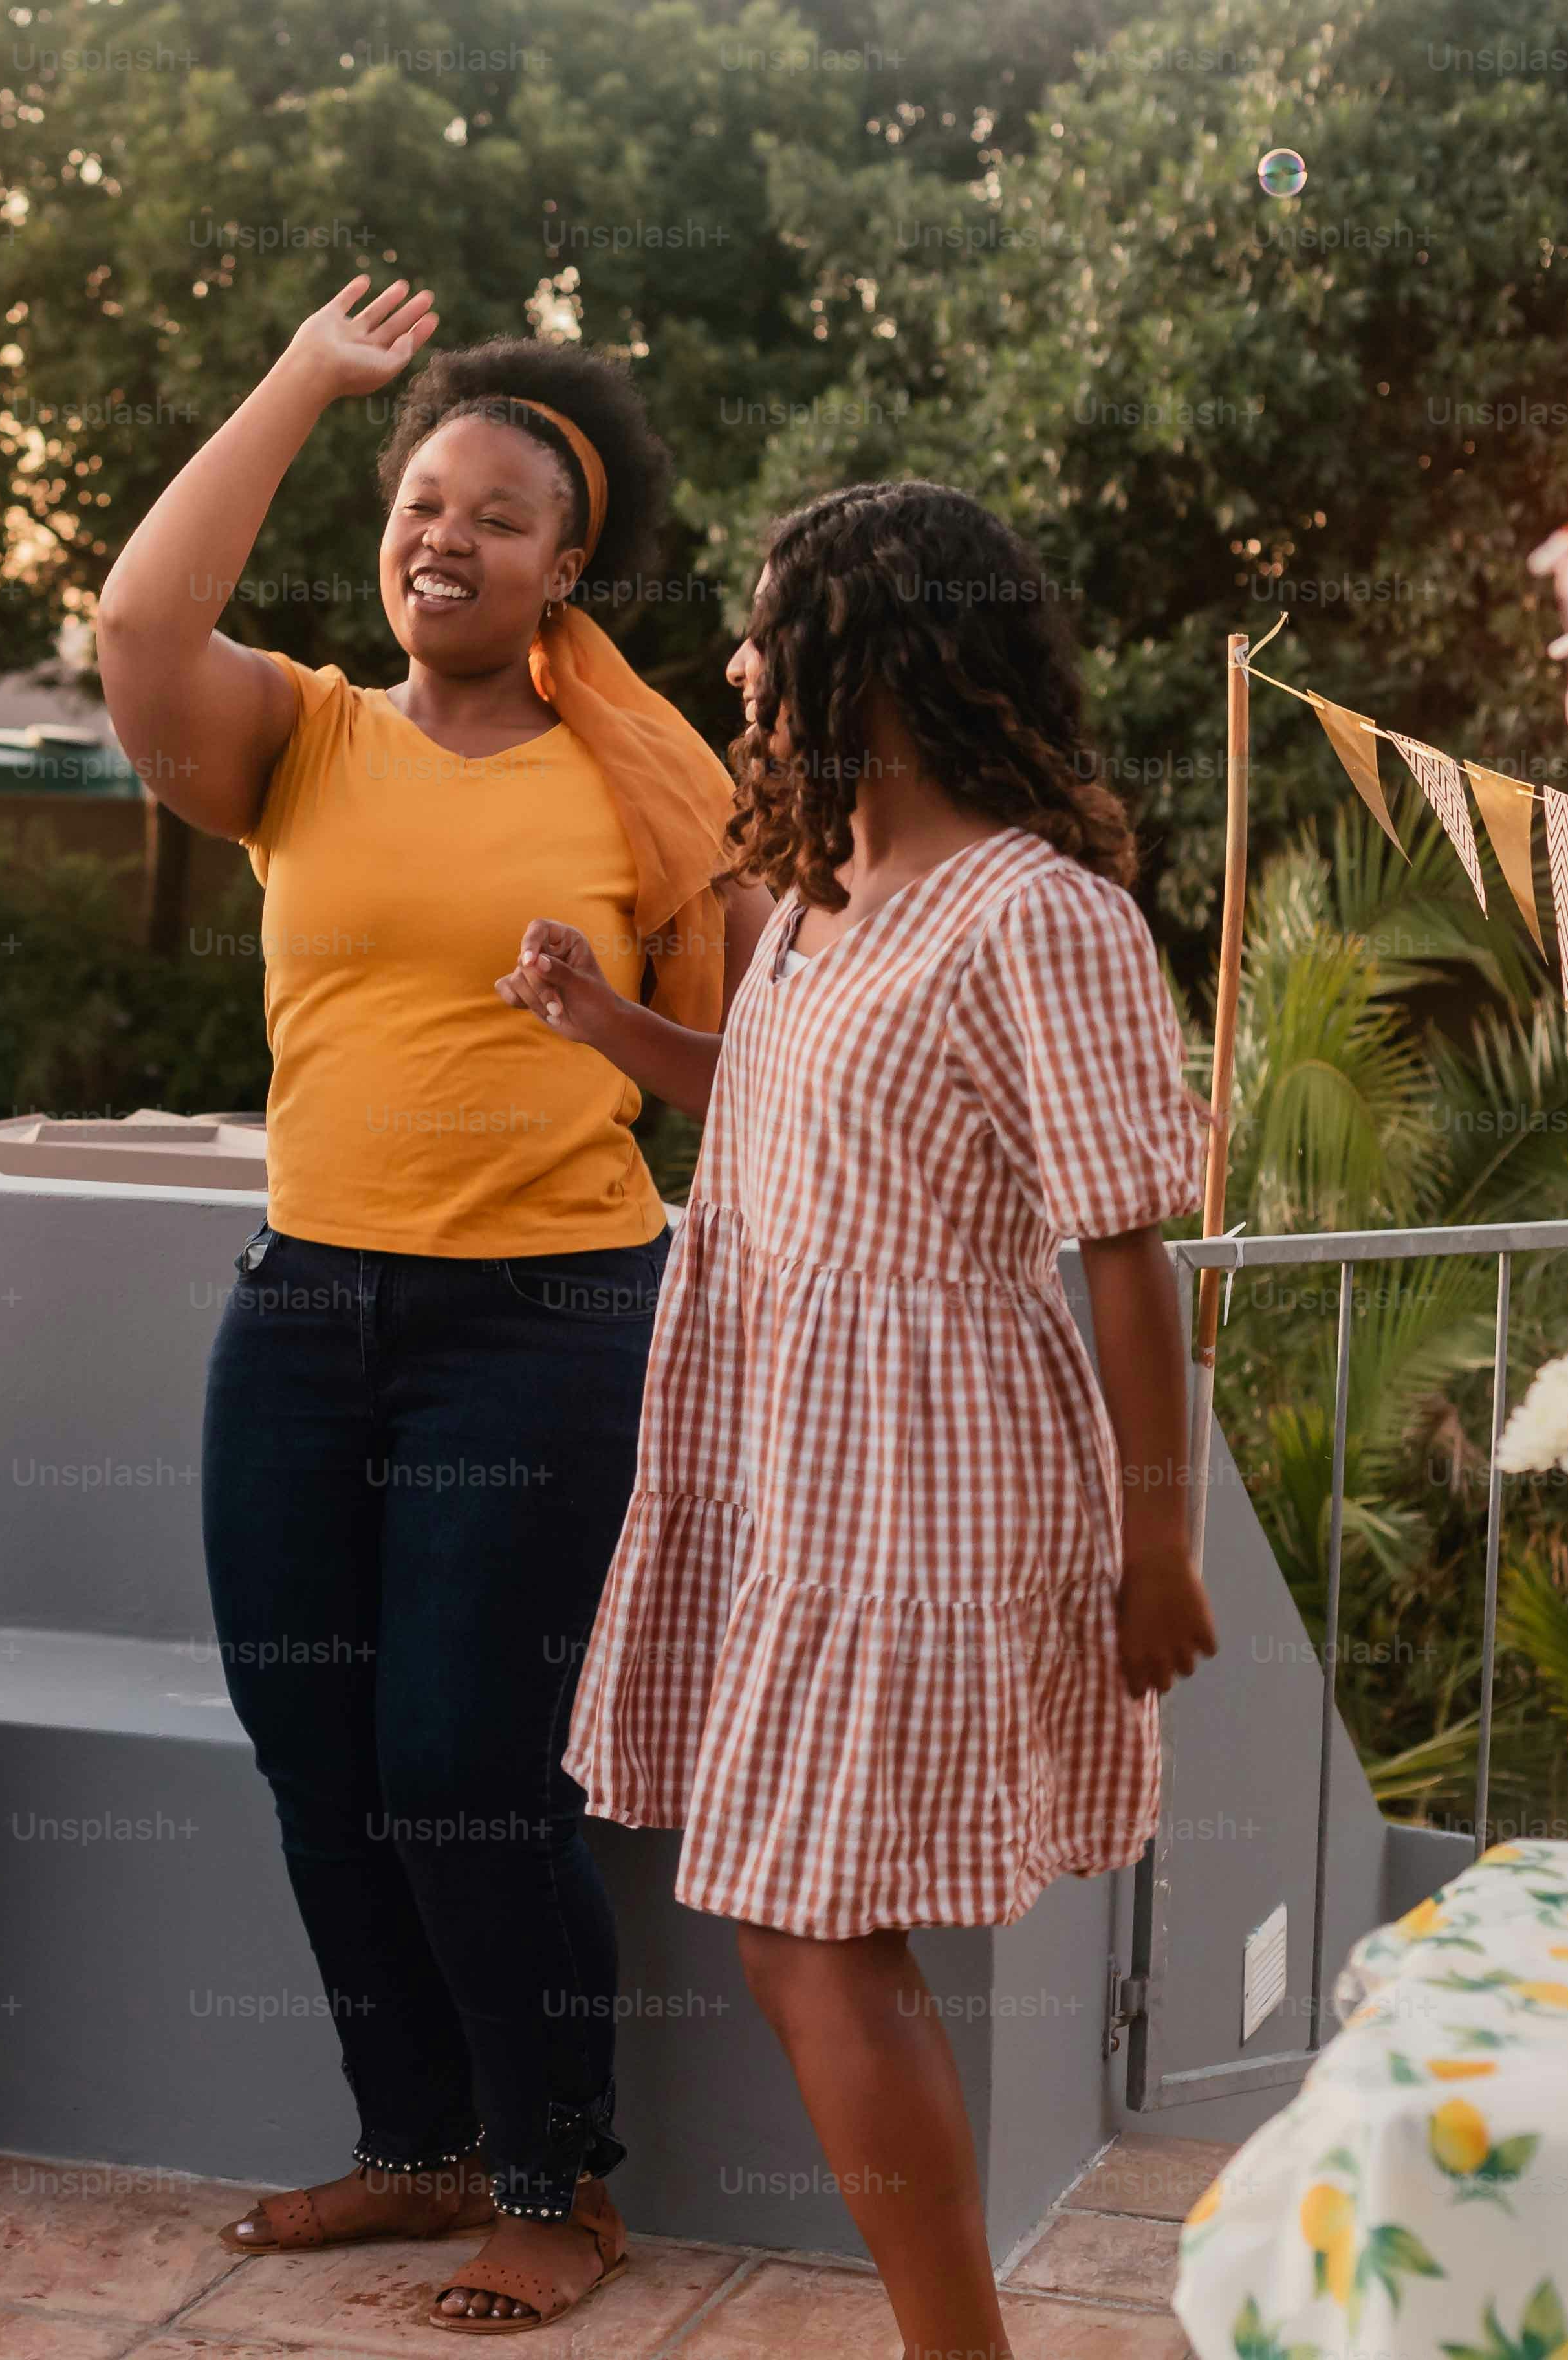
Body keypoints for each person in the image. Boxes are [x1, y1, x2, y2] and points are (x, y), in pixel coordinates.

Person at [94, 278, 767, 2334]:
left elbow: (759, 1077)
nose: (444, 539)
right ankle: (412, 2143)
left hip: (548, 1319)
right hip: (304, 1315)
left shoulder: (653, 781)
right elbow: (137, 630)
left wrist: (604, 1008)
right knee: (317, 1746)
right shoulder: (300, 735)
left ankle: (558, 2175)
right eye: (420, 503)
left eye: (496, 516)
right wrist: (306, 377)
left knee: (468, 1761)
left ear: (568, 570)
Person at [543, 481, 1220, 2360]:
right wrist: (614, 1027)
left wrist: (1153, 1542)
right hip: (786, 1458)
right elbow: (771, 1124)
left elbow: (1127, 1251)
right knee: (802, 1922)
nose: (743, 661)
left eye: (771, 625)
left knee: (811, 1924)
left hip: (931, 1469)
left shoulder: (1041, 917)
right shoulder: (829, 901)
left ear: (890, 653)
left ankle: (958, 2351)